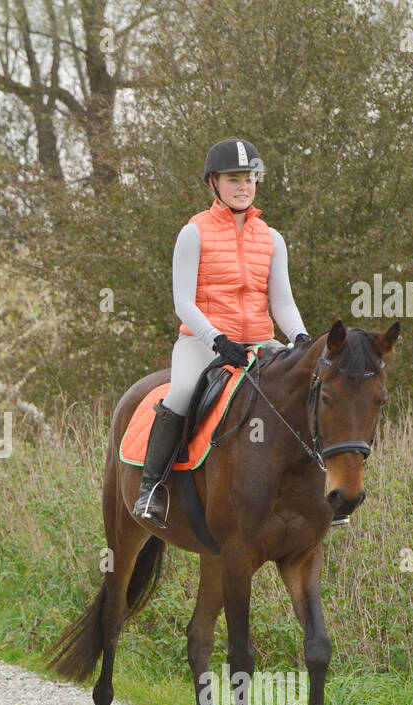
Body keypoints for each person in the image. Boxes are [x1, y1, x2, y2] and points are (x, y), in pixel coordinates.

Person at [134, 138, 311, 528]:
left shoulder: (272, 238)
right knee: (180, 393)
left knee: (305, 387)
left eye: (249, 178)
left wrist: (299, 337)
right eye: (234, 179)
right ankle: (152, 488)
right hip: (202, 343)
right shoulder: (193, 233)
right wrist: (216, 339)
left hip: (259, 343)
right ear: (214, 182)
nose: (243, 186)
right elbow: (183, 301)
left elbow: (281, 301)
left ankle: (313, 490)